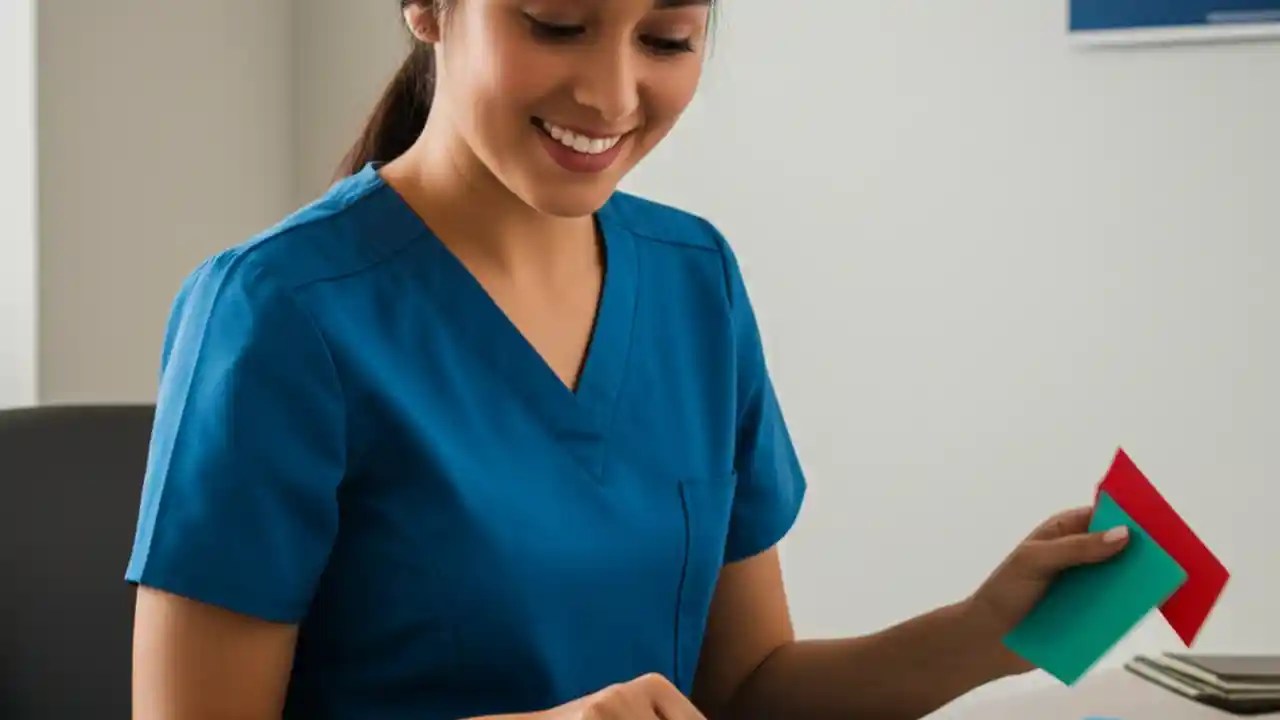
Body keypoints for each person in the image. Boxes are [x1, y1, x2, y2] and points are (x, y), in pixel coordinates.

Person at [126, 1, 1132, 718]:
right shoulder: (276, 313)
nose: (610, 94)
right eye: (555, 25)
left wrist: (985, 632)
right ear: (426, 9)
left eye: (666, 39)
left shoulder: (695, 280)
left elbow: (742, 690)